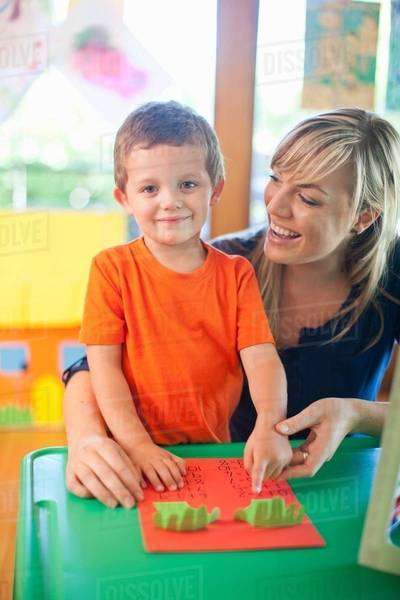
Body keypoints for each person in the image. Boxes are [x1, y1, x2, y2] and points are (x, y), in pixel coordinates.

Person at [63, 107, 400, 509]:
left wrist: (358, 415)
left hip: (345, 484)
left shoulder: (392, 274)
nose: (275, 206)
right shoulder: (224, 261)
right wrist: (88, 438)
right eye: (276, 178)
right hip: (229, 475)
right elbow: (95, 363)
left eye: (308, 198)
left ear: (364, 216)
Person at [75, 101, 293, 508]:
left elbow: (262, 359)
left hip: (211, 454)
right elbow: (102, 370)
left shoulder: (237, 274)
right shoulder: (110, 269)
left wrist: (269, 426)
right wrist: (138, 446)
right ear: (124, 198)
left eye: (188, 185)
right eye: (149, 188)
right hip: (128, 456)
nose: (170, 201)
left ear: (216, 188)